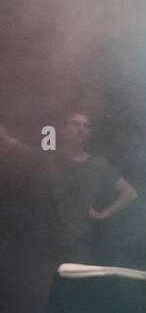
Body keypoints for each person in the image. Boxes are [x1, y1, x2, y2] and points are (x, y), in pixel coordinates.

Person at [0, 110, 138, 265]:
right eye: (76, 124)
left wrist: (103, 214)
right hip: (45, 246)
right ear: (64, 130)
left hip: (79, 246)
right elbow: (13, 144)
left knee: (72, 287)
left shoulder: (98, 165)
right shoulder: (49, 160)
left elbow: (130, 193)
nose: (81, 129)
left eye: (86, 126)